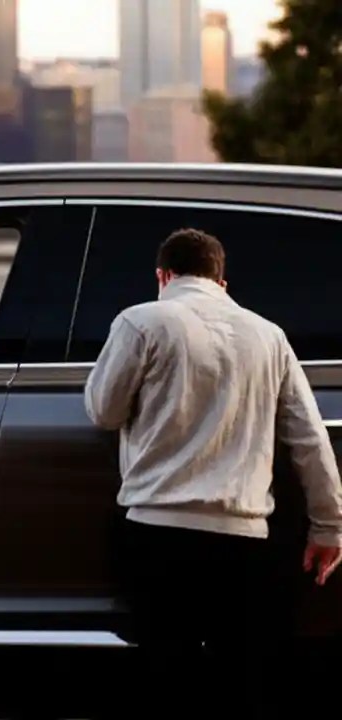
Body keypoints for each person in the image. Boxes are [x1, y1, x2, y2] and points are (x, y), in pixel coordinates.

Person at [83, 228, 342, 717]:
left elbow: (104, 411)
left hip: (157, 532)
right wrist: (328, 527)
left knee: (166, 674)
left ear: (163, 275)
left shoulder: (142, 322)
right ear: (222, 282)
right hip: (244, 541)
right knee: (240, 681)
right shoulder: (269, 335)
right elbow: (310, 439)